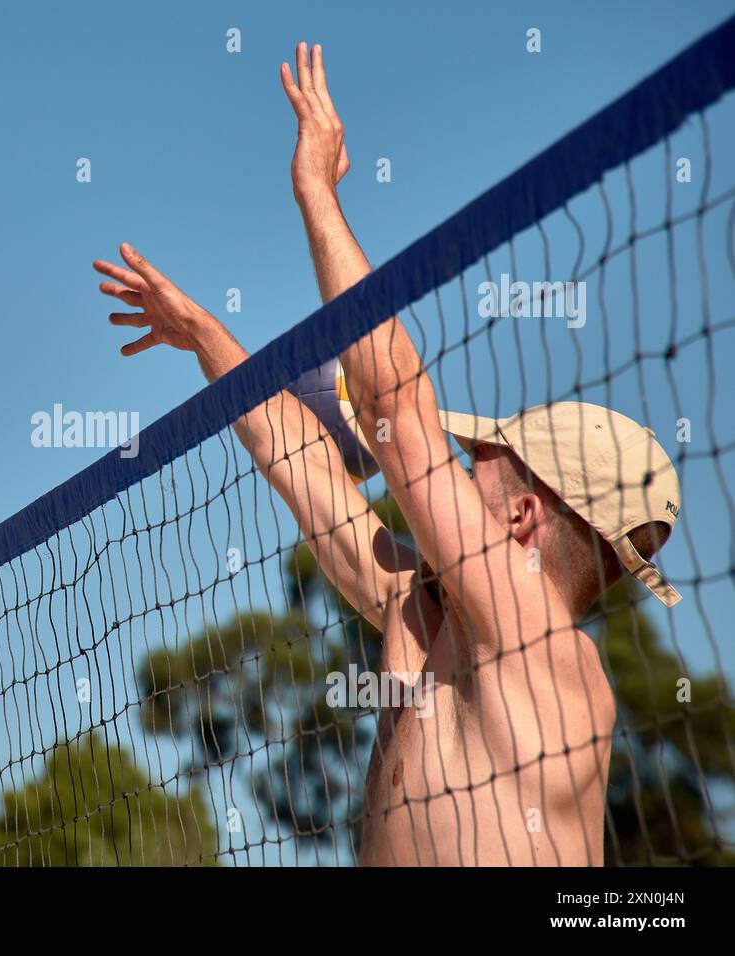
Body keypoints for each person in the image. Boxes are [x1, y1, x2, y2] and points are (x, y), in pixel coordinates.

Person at [92, 42, 681, 865]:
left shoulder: (549, 653)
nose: (451, 473)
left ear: (521, 517)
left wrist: (316, 194)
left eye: (473, 469)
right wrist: (206, 339)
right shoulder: (431, 616)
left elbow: (401, 415)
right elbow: (312, 482)